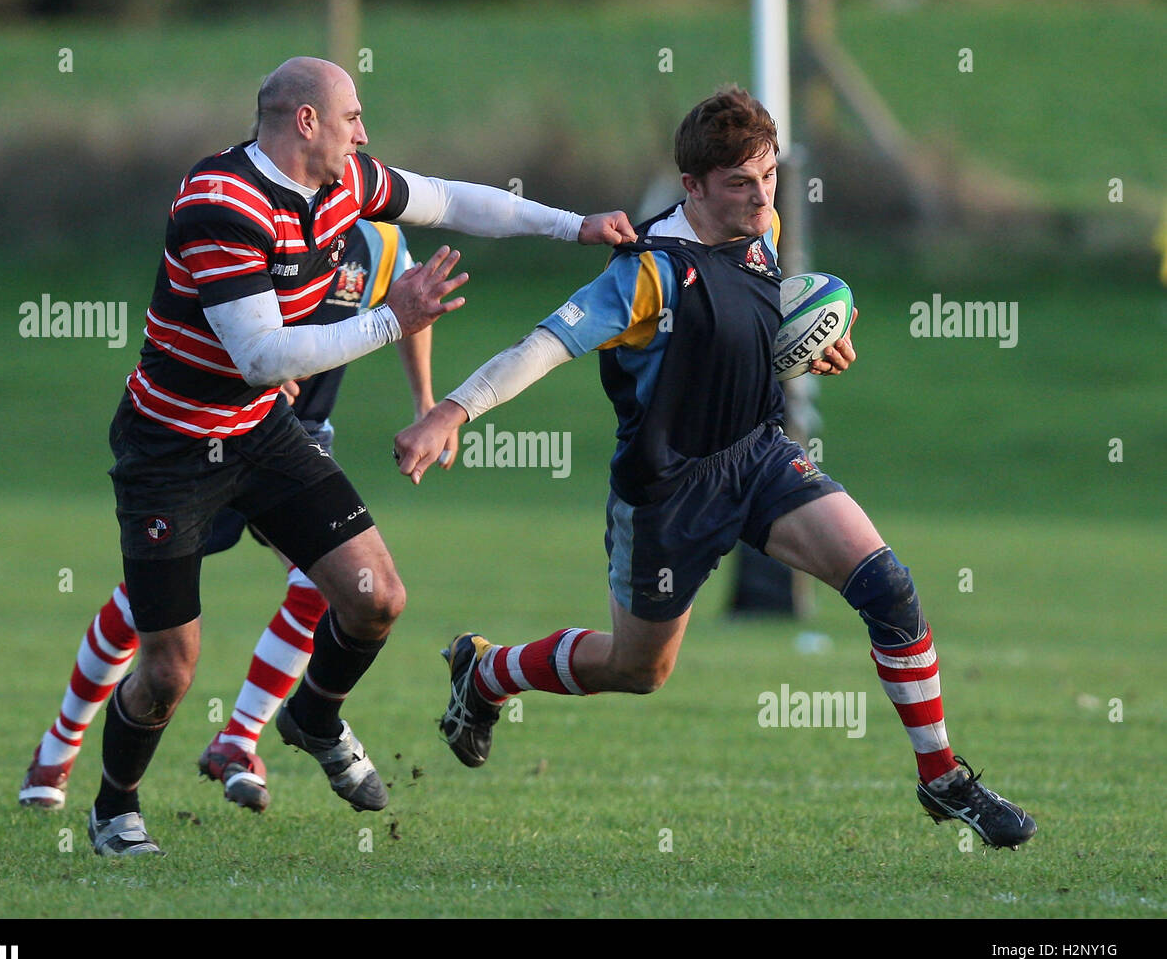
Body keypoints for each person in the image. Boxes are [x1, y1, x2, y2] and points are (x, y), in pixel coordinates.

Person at [391, 86, 1037, 850]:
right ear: (691, 186)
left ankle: (943, 778)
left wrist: (817, 343)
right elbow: (542, 347)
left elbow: (764, 320)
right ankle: (488, 673)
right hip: (667, 494)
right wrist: (450, 410)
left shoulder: (764, 228)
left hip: (757, 458)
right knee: (638, 669)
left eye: (768, 176)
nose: (761, 195)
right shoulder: (649, 271)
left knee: (888, 587)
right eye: (739, 182)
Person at [81, 56, 636, 856]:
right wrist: (393, 320)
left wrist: (572, 226)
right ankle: (114, 808)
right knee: (170, 668)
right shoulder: (219, 201)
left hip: (261, 433)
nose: (364, 132)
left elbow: (452, 201)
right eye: (353, 117)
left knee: (377, 597)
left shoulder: (348, 182)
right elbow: (262, 357)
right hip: (170, 445)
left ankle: (310, 717)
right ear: (306, 122)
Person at [18, 220, 450, 815]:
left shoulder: (380, 242)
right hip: (214, 435)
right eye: (348, 123)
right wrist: (261, 365)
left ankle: (239, 739)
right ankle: (60, 744)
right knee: (151, 606)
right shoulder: (262, 219)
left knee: (329, 587)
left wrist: (424, 399)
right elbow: (218, 317)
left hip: (300, 441)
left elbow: (410, 302)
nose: (355, 146)